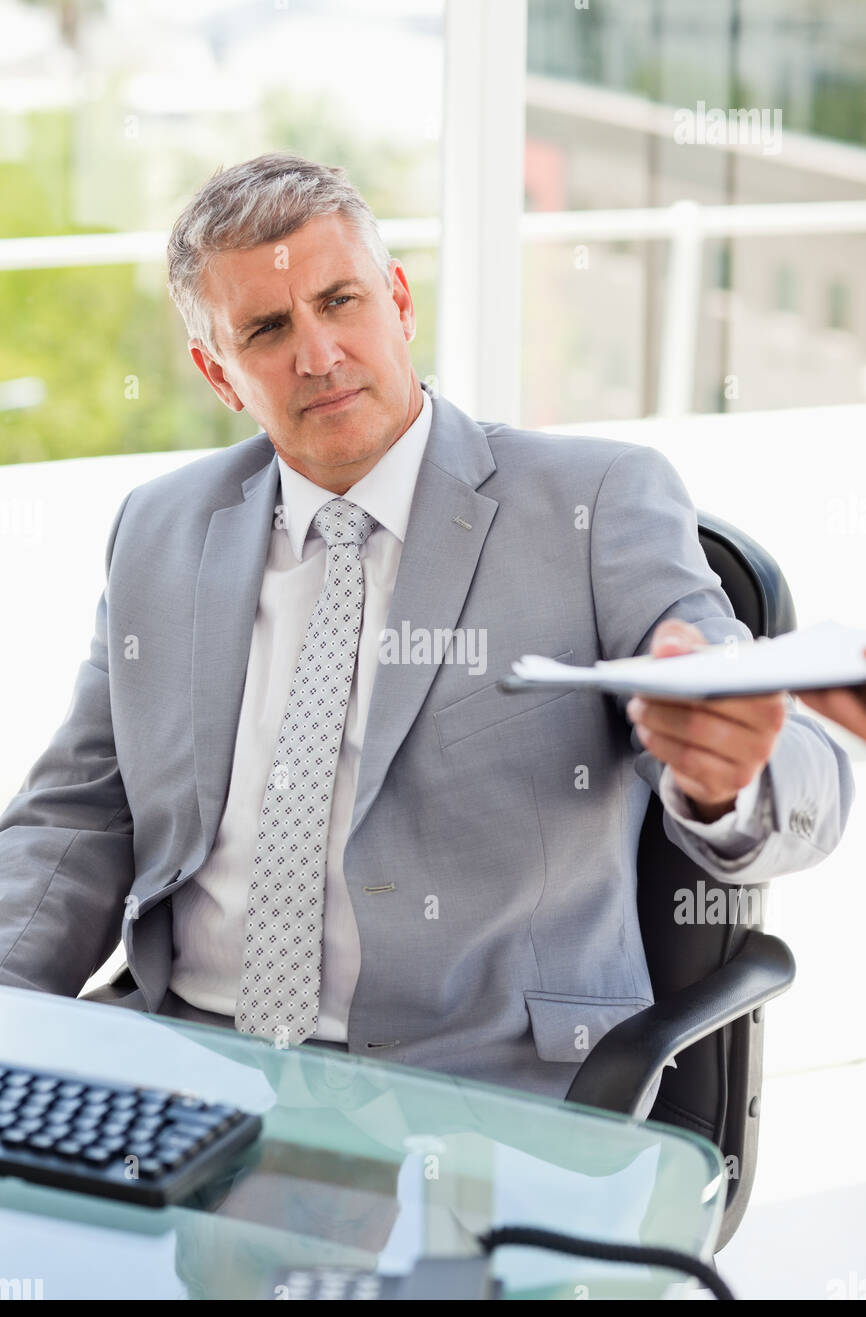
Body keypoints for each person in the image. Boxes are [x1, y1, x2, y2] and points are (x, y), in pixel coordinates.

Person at [0, 153, 854, 1114]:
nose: (318, 354)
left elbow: (787, 750)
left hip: (479, 1096)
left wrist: (734, 769)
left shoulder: (593, 505)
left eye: (341, 300)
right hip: (187, 1067)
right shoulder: (160, 530)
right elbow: (77, 811)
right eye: (270, 329)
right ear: (216, 371)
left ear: (399, 301)